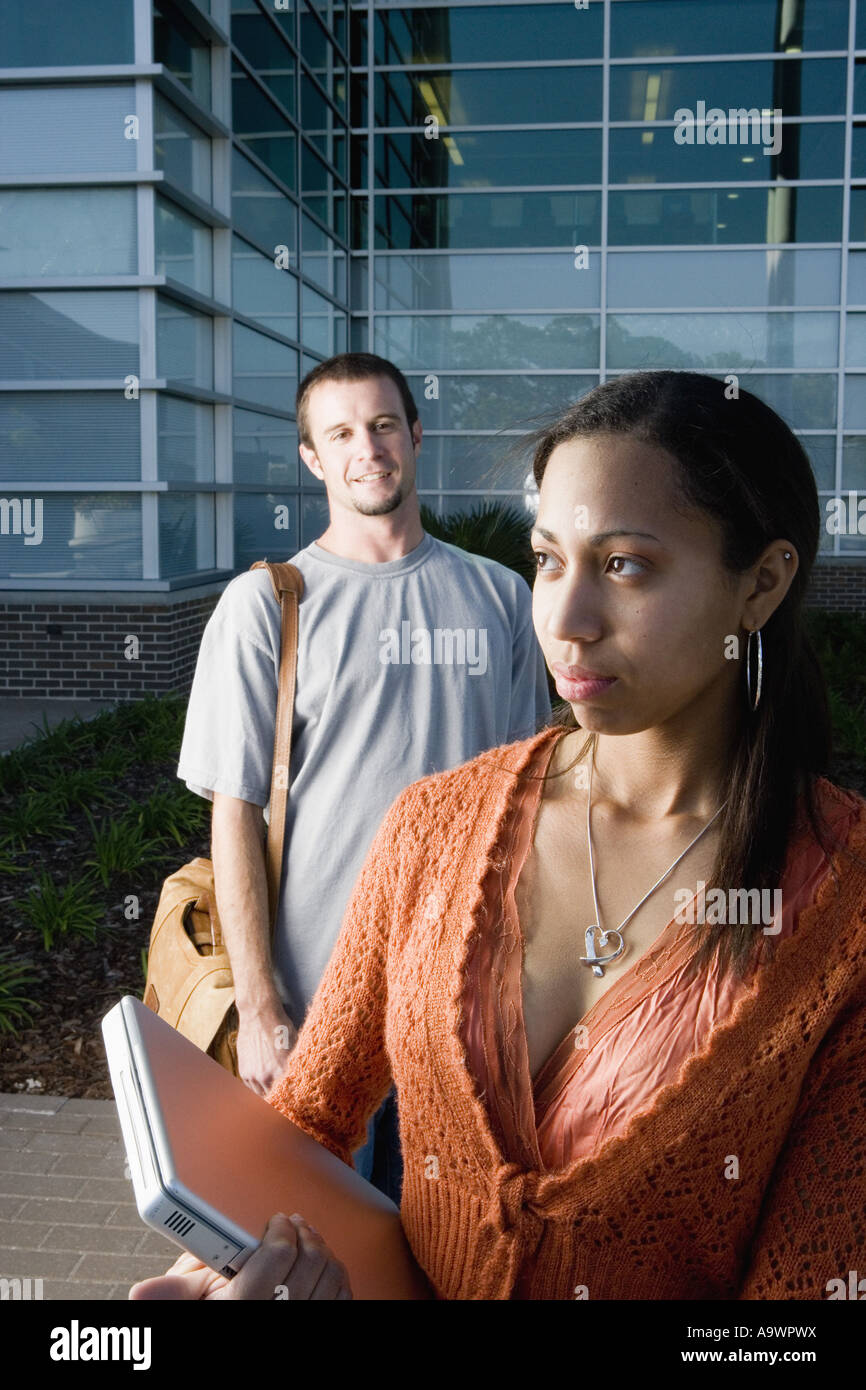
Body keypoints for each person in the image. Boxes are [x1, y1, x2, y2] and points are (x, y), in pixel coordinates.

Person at [133, 370, 866, 1300]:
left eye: (625, 565)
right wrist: (223, 1264)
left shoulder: (844, 912)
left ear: (760, 583)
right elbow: (308, 1124)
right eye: (550, 559)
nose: (564, 621)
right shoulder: (435, 824)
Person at [174, 352, 552, 1204]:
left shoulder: (499, 599)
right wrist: (263, 1009)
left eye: (383, 425)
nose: (368, 447)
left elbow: (532, 802)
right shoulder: (269, 603)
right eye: (340, 432)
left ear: (415, 437)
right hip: (316, 1015)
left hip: (458, 1013)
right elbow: (233, 814)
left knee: (440, 1256)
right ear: (313, 459)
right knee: (310, 1251)